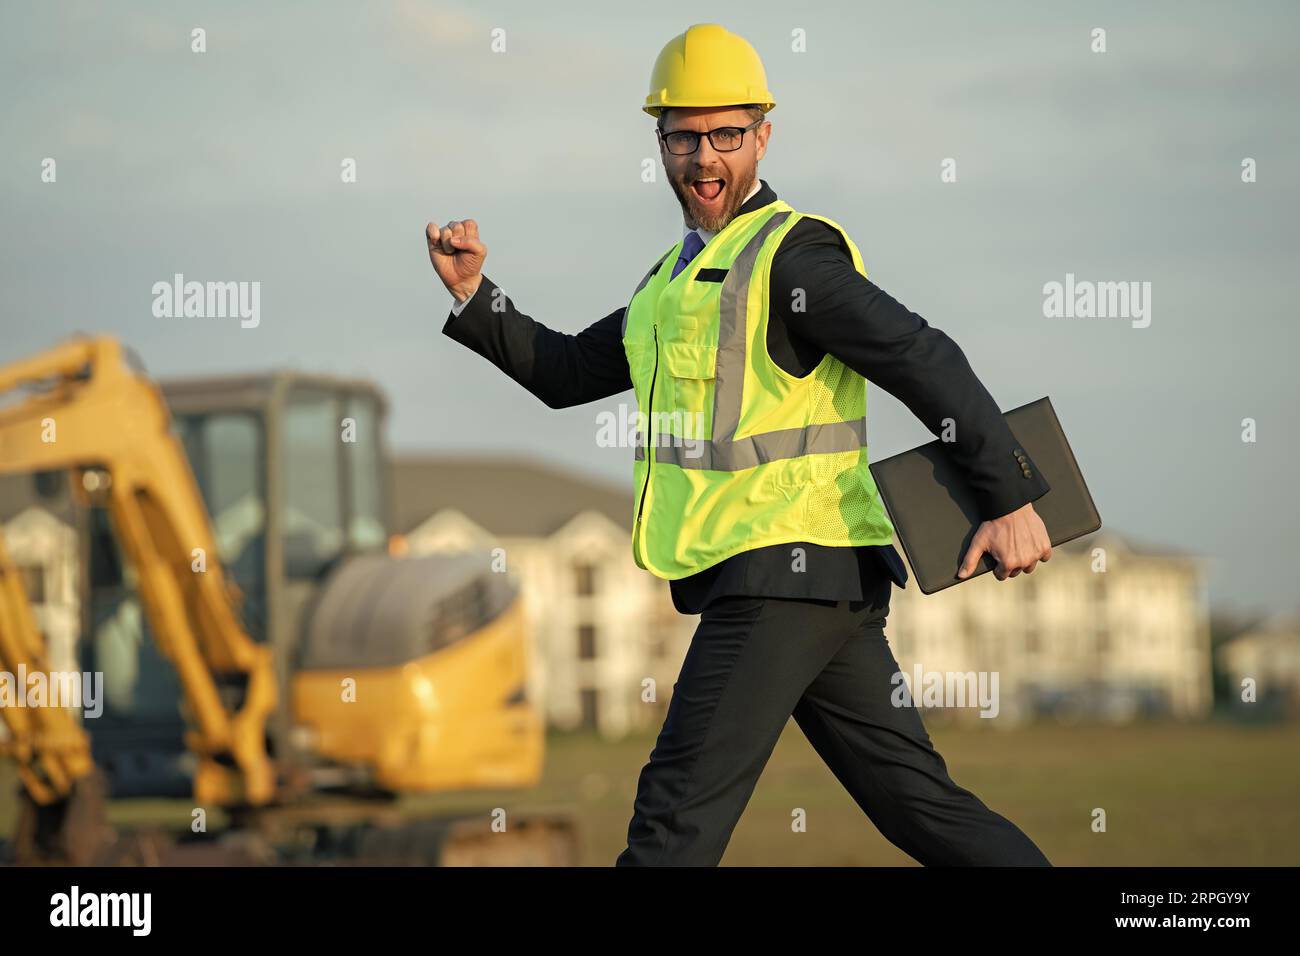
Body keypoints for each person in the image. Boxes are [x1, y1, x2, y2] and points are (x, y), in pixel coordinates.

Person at [426, 23, 1052, 866]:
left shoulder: (793, 260)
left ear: (763, 135)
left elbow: (920, 357)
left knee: (672, 820)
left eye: (726, 135)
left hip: (780, 573)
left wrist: (1009, 497)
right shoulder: (671, 281)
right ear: (659, 143)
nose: (704, 158)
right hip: (818, 583)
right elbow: (571, 370)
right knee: (925, 811)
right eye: (684, 137)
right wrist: (477, 299)